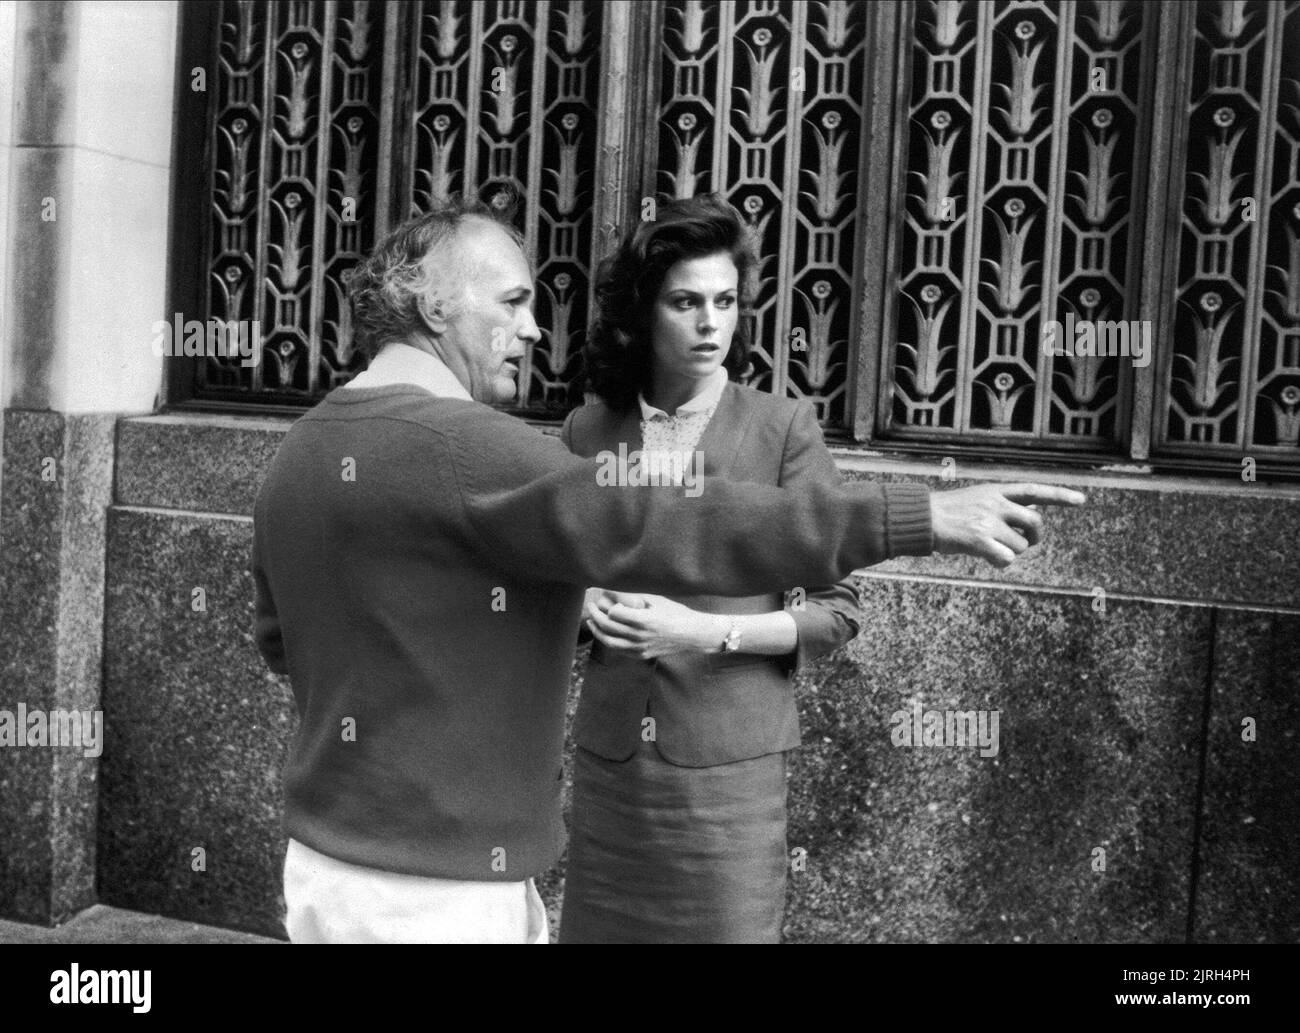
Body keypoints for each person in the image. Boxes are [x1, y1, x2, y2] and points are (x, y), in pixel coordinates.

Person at [251, 196, 1085, 944]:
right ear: (435, 305)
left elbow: (286, 643)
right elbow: (674, 519)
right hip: (440, 892)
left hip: (324, 869)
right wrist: (921, 515)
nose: (536, 328)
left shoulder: (297, 452)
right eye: (511, 302)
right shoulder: (473, 447)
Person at [558, 194, 868, 943]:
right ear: (643, 310)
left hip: (728, 777)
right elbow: (548, 578)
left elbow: (839, 608)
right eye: (685, 302)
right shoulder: (590, 428)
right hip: (613, 767)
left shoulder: (783, 429)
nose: (709, 324)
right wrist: (583, 600)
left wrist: (703, 630)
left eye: (725, 301)